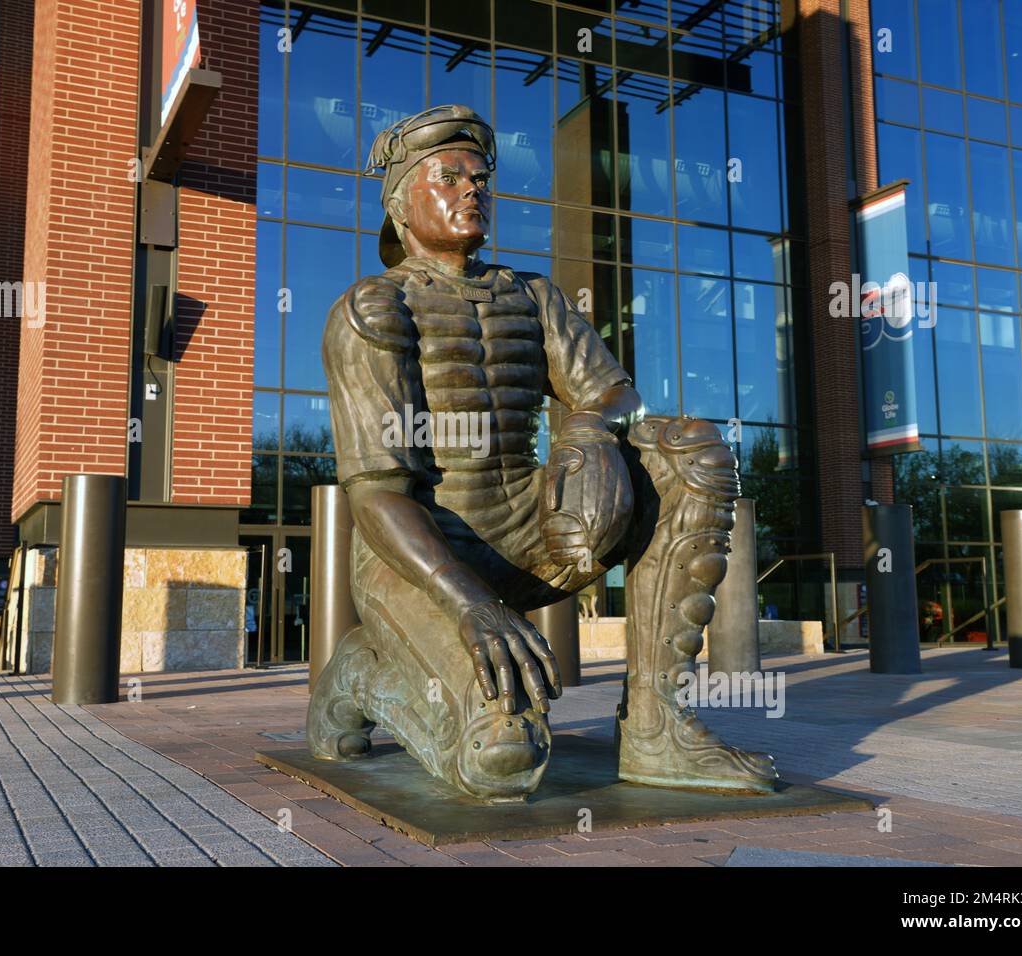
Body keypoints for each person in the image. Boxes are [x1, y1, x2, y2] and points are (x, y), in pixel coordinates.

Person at [307, 105, 776, 800]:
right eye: (448, 177)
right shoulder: (375, 309)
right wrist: (471, 605)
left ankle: (654, 729)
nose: (473, 189)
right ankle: (361, 674)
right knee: (504, 758)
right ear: (402, 204)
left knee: (692, 454)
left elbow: (619, 398)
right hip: (422, 561)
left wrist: (587, 433)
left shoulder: (533, 297)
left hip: (534, 531)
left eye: (479, 178)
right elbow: (377, 495)